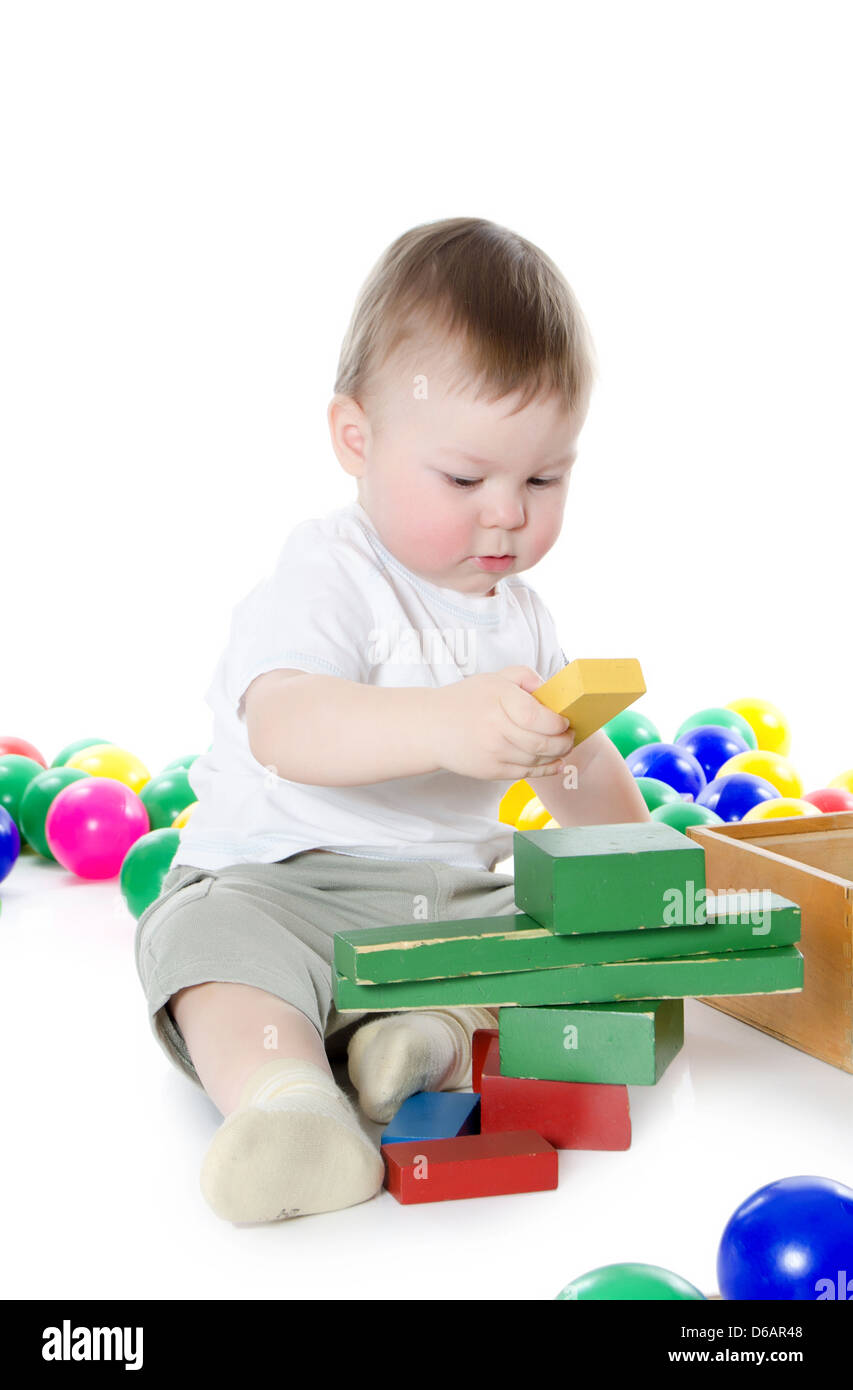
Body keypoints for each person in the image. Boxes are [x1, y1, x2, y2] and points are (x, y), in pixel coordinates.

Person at [134, 216, 650, 1225]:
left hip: (447, 905)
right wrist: (442, 724)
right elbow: (289, 725)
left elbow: (577, 767)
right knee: (199, 943)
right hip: (285, 884)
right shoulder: (329, 572)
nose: (507, 514)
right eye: (466, 479)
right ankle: (287, 1103)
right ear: (357, 440)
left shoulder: (525, 620)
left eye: (545, 479)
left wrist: (642, 863)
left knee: (549, 937)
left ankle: (424, 1036)